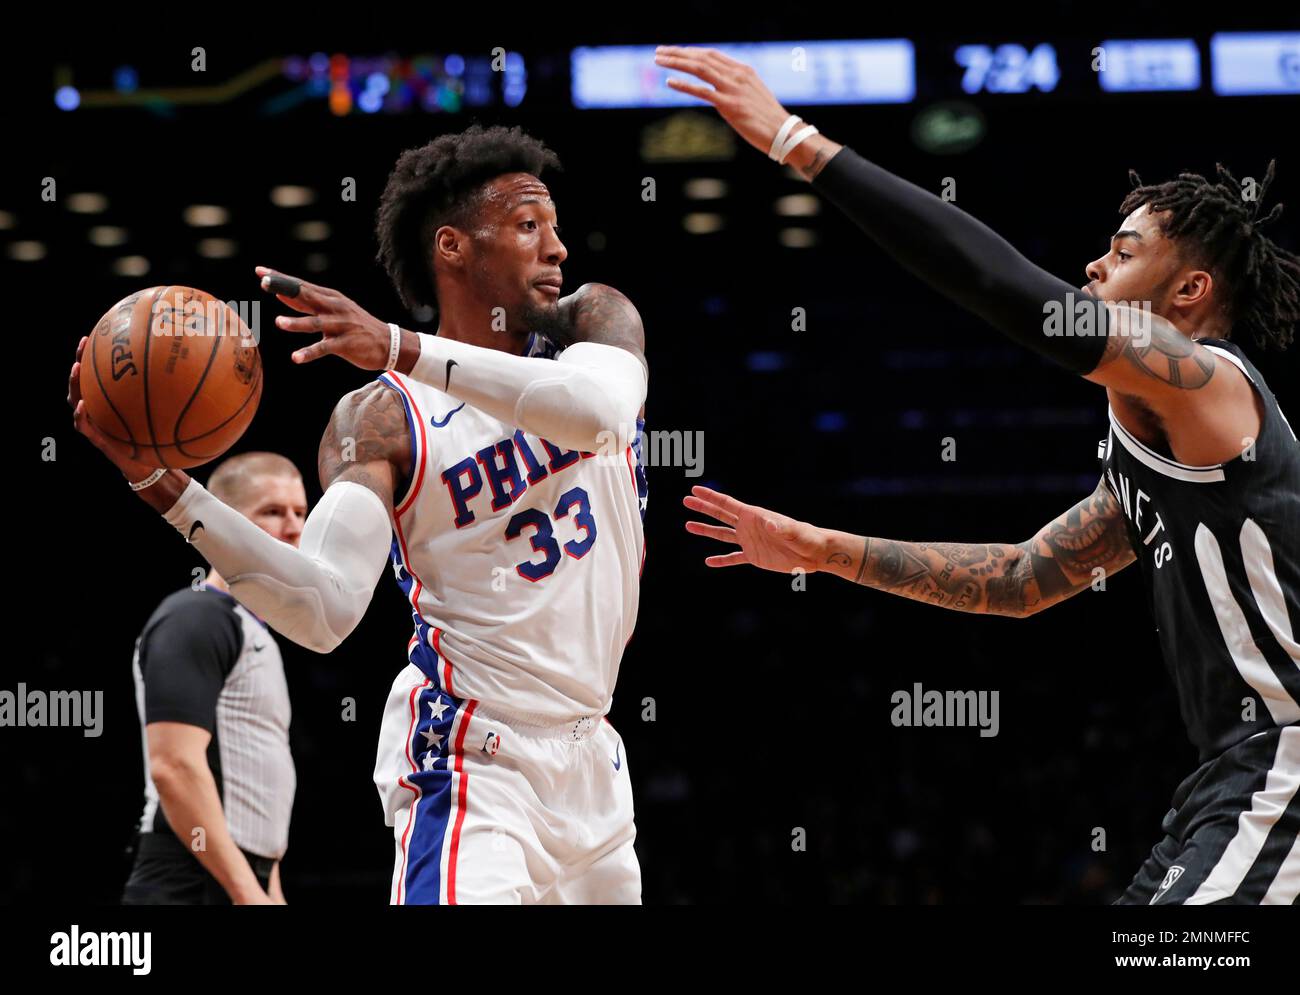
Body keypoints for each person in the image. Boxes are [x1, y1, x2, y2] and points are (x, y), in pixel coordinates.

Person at [660, 45, 1299, 905]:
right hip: (1230, 778)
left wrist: (795, 142)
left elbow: (1005, 288)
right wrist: (816, 546)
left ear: (1188, 289)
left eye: (1122, 250)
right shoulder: (1163, 448)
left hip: (1282, 768)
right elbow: (1018, 579)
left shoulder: (1207, 380)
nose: (1092, 267)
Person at [70, 123, 649, 905]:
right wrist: (164, 486)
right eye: (527, 227)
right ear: (453, 246)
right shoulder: (380, 417)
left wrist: (397, 344)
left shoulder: (597, 322)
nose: (558, 250)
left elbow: (601, 415)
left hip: (595, 761)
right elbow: (323, 607)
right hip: (475, 763)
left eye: (552, 227)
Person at [121, 452, 305, 905]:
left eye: (301, 512)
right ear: (225, 526)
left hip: (241, 879)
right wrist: (247, 893)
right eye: (272, 511)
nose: (295, 527)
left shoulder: (254, 631)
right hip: (190, 881)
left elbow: (260, 788)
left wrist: (269, 890)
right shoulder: (196, 615)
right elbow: (174, 767)